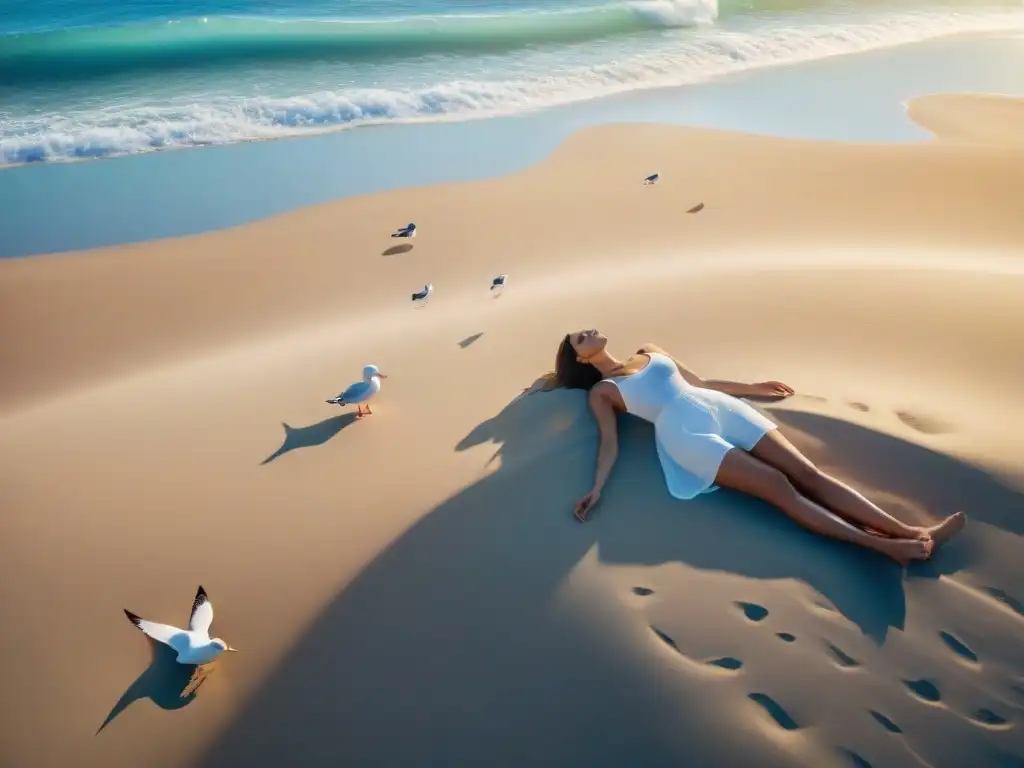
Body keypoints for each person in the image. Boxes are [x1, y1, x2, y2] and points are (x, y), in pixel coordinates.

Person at [548, 329, 966, 565]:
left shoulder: (650, 349)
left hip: (718, 407)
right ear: (581, 360)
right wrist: (597, 488)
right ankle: (887, 547)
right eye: (578, 339)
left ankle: (912, 532)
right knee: (779, 486)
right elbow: (608, 444)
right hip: (684, 435)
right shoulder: (603, 391)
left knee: (808, 474)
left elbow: (700, 383)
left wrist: (753, 387)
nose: (586, 332)